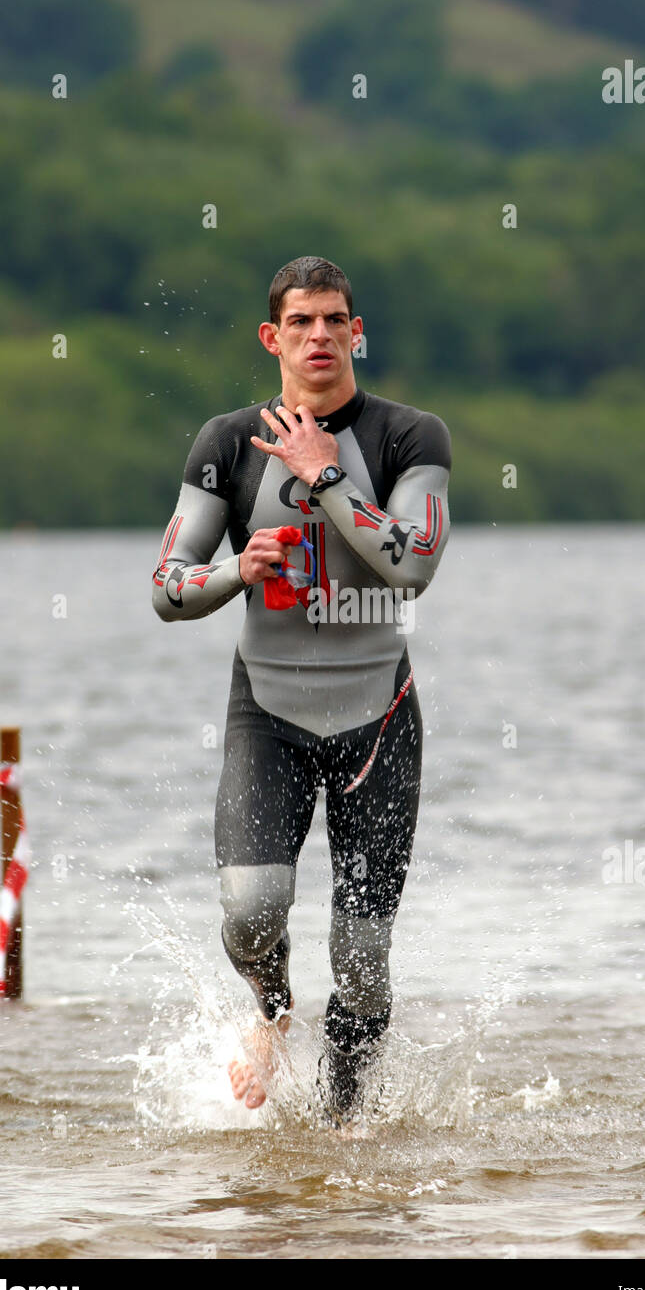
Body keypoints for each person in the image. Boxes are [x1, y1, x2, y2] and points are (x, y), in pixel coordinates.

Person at [151, 256, 451, 1123]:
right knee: (251, 911)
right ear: (271, 337)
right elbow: (167, 587)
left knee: (362, 957)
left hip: (378, 719)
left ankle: (342, 1133)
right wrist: (233, 573)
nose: (318, 336)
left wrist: (324, 474)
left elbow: (413, 568)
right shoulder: (224, 442)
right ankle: (273, 1014)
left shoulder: (409, 437)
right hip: (268, 714)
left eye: (333, 321)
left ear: (357, 332)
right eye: (300, 323)